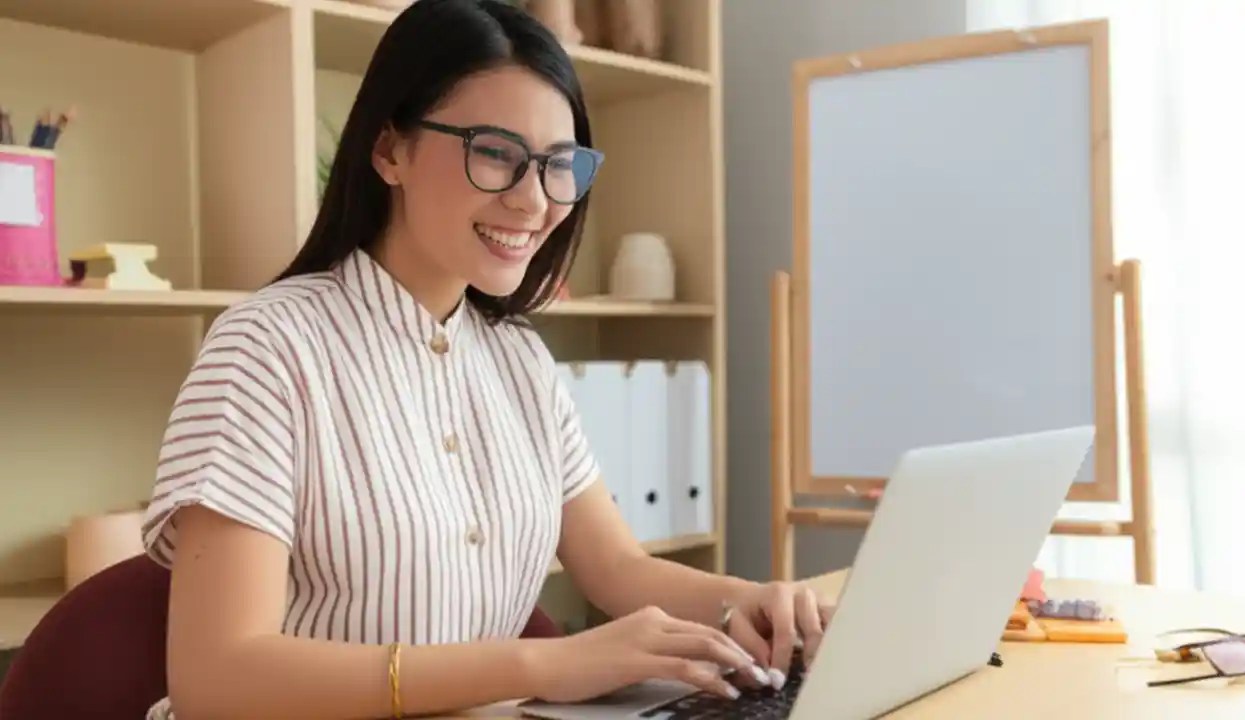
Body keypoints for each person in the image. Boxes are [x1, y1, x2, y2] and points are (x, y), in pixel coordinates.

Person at [140, 1, 832, 718]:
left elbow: (619, 568)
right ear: (389, 151)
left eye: (559, 166)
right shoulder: (266, 348)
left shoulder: (519, 360)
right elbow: (217, 677)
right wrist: (543, 662)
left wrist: (754, 605)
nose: (534, 201)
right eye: (496, 152)